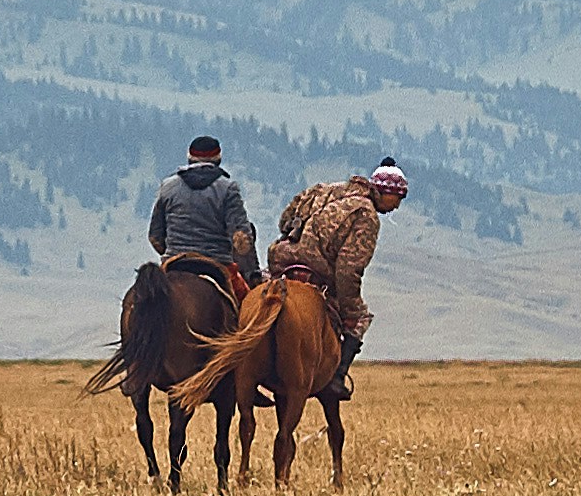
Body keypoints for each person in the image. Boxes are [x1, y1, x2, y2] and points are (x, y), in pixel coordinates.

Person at [271, 157, 407, 396]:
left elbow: (285, 221)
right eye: (398, 197)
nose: (397, 206)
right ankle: (336, 378)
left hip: (280, 263)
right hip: (318, 272)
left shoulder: (325, 190)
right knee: (359, 319)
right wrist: (349, 306)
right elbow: (348, 270)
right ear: (386, 192)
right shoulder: (367, 216)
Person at [146, 135, 254, 283]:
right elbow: (241, 240)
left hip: (174, 262)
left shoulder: (168, 186)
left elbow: (155, 237)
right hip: (218, 263)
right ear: (218, 159)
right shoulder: (228, 188)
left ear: (190, 158)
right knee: (246, 301)